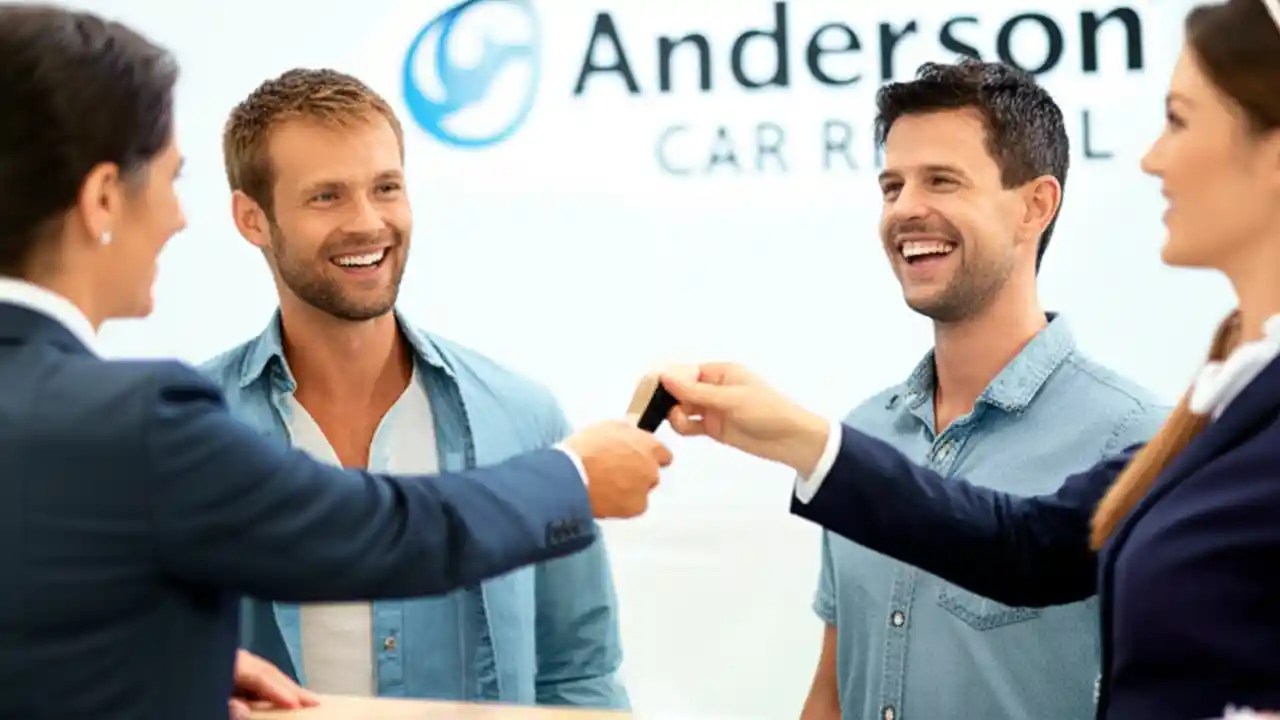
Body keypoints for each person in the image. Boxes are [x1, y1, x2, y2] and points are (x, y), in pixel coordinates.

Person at [0, 6, 669, 719]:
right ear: (105, 197)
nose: (176, 218)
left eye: (386, 186)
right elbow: (377, 532)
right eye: (169, 181)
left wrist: (171, 664)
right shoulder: (150, 420)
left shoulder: (519, 410)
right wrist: (573, 476)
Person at [659, 1, 1280, 717]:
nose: (1150, 158)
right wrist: (802, 440)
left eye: (1178, 119)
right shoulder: (1224, 395)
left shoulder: (1144, 426)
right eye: (891, 186)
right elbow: (1025, 548)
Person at [200, 68, 628, 709]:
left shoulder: (521, 416)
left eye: (386, 188)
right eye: (327, 197)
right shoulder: (191, 432)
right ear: (252, 219)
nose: (368, 222)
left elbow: (580, 671)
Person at [784, 58, 1169, 720]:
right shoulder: (859, 440)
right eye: (891, 186)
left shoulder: (1134, 442)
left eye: (942, 181)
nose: (906, 210)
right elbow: (832, 694)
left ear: (1035, 205)